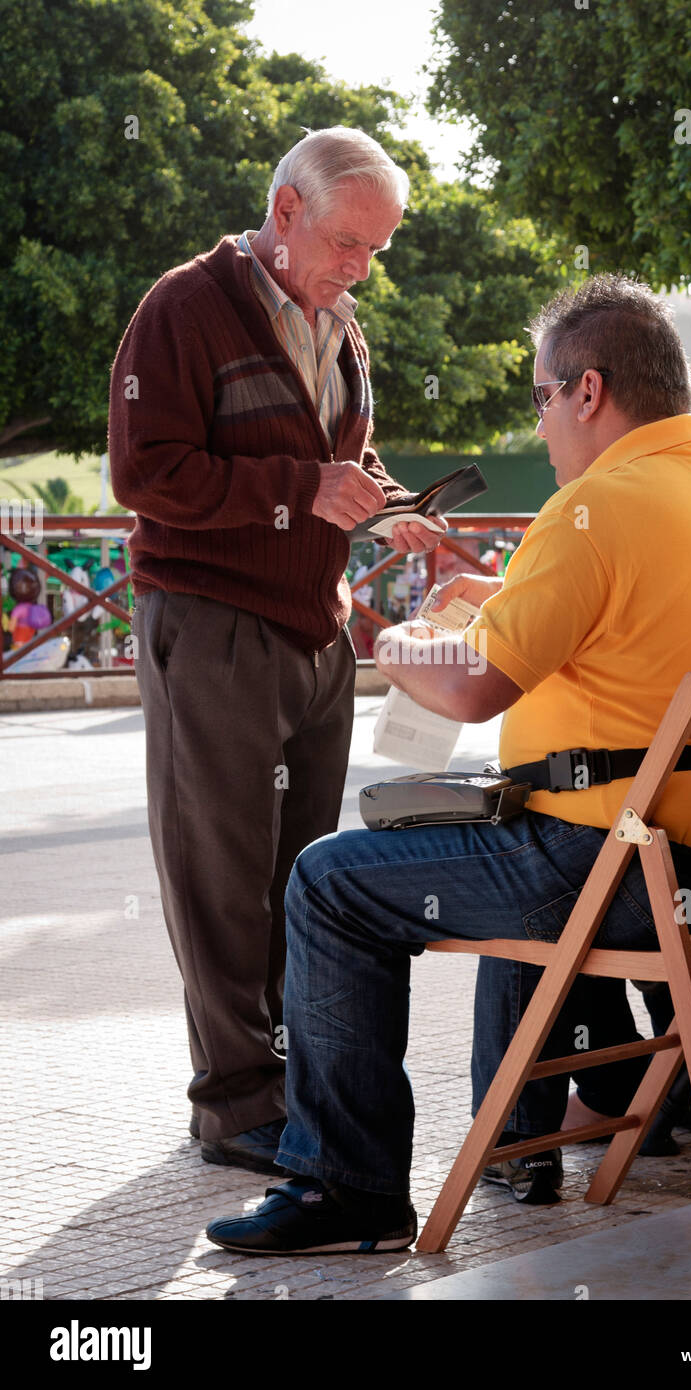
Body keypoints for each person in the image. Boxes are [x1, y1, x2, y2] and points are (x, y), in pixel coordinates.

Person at [206, 273, 691, 1254]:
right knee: (466, 834)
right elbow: (611, 612)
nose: (539, 427)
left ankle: (345, 1187)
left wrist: (400, 641)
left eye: (540, 397)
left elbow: (469, 690)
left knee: (328, 879)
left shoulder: (597, 506)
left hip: (605, 867)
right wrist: (503, 587)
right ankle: (518, 1134)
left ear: (588, 391)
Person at [108, 127, 443, 1174]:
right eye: (349, 242)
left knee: (300, 878)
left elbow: (337, 457)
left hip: (315, 626)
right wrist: (302, 490)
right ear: (285, 213)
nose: (360, 266)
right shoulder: (182, 306)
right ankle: (234, 1107)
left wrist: (387, 505)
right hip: (209, 621)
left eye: (377, 250)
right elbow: (143, 473)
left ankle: (291, 1089)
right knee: (221, 876)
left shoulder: (342, 328)